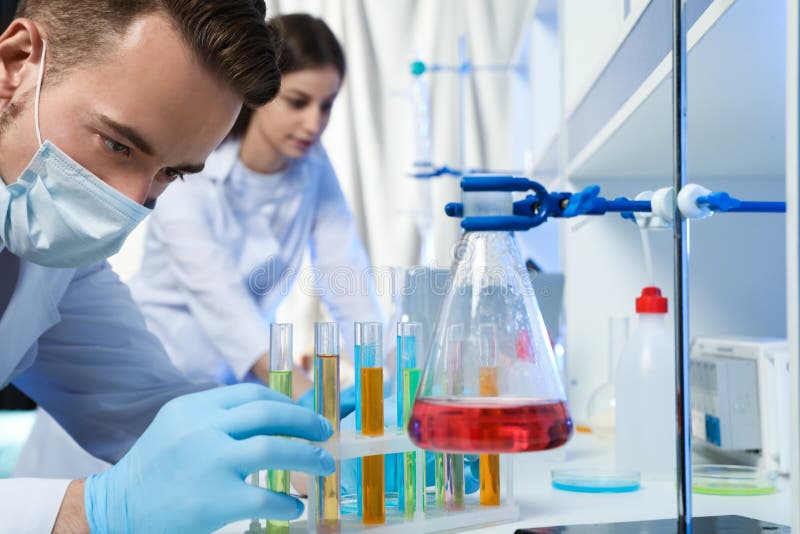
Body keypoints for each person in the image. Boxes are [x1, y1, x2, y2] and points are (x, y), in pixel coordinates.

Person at [0, 1, 336, 532]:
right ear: (17, 63)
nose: (134, 202)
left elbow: (141, 408)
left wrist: (308, 447)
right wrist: (86, 511)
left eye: (171, 173)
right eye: (118, 144)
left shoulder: (60, 254)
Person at [128, 13, 384, 394]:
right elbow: (222, 302)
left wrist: (387, 375)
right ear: (260, 92)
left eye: (326, 105)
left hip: (233, 382)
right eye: (298, 102)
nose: (314, 123)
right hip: (152, 371)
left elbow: (345, 275)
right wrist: (310, 400)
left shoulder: (313, 164)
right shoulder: (191, 165)